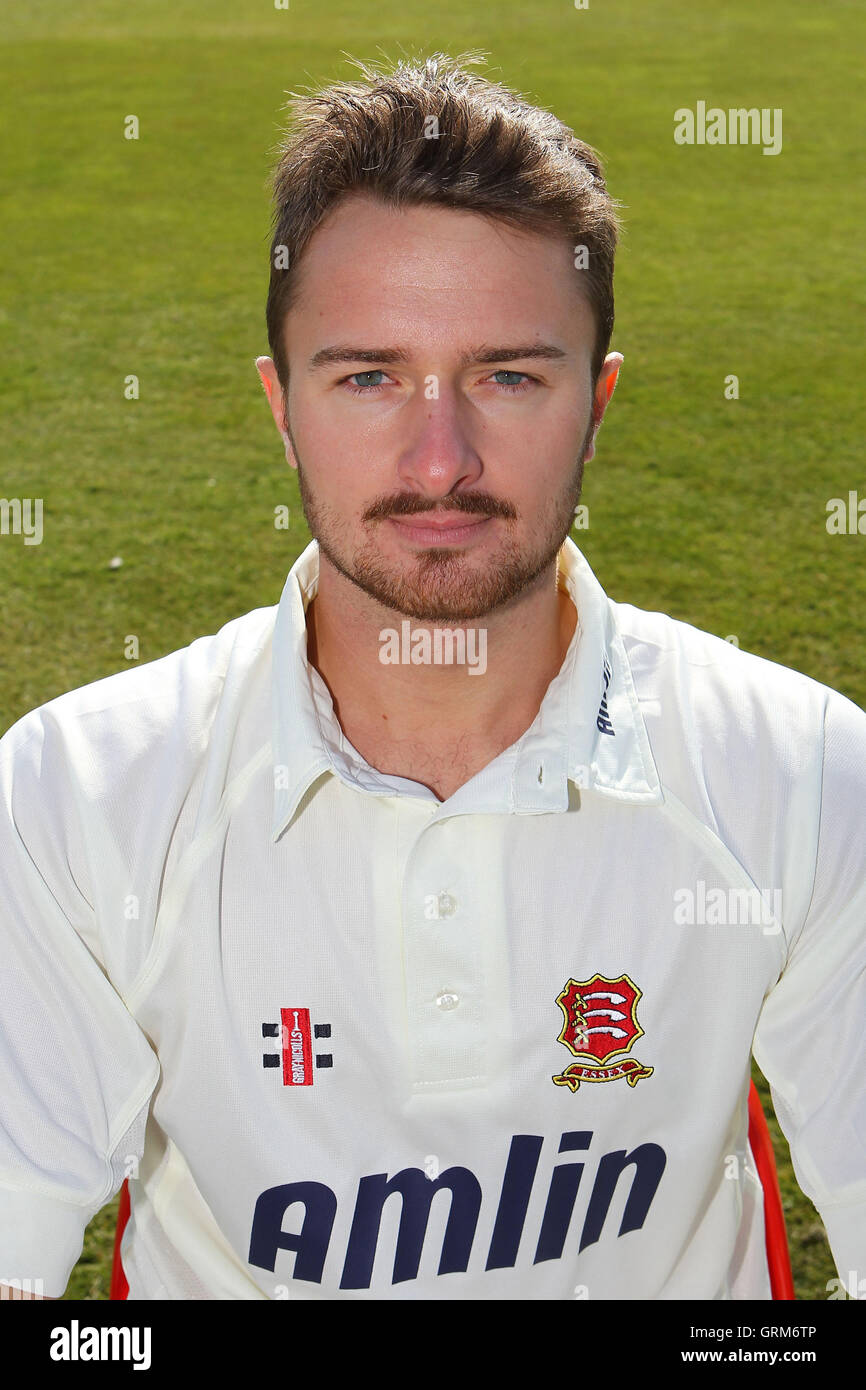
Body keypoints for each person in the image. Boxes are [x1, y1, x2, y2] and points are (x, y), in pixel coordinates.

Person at [1, 51, 863, 1302]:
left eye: (508, 375)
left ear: (597, 402)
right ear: (280, 407)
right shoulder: (75, 788)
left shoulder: (800, 771)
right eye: (367, 377)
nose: (440, 458)